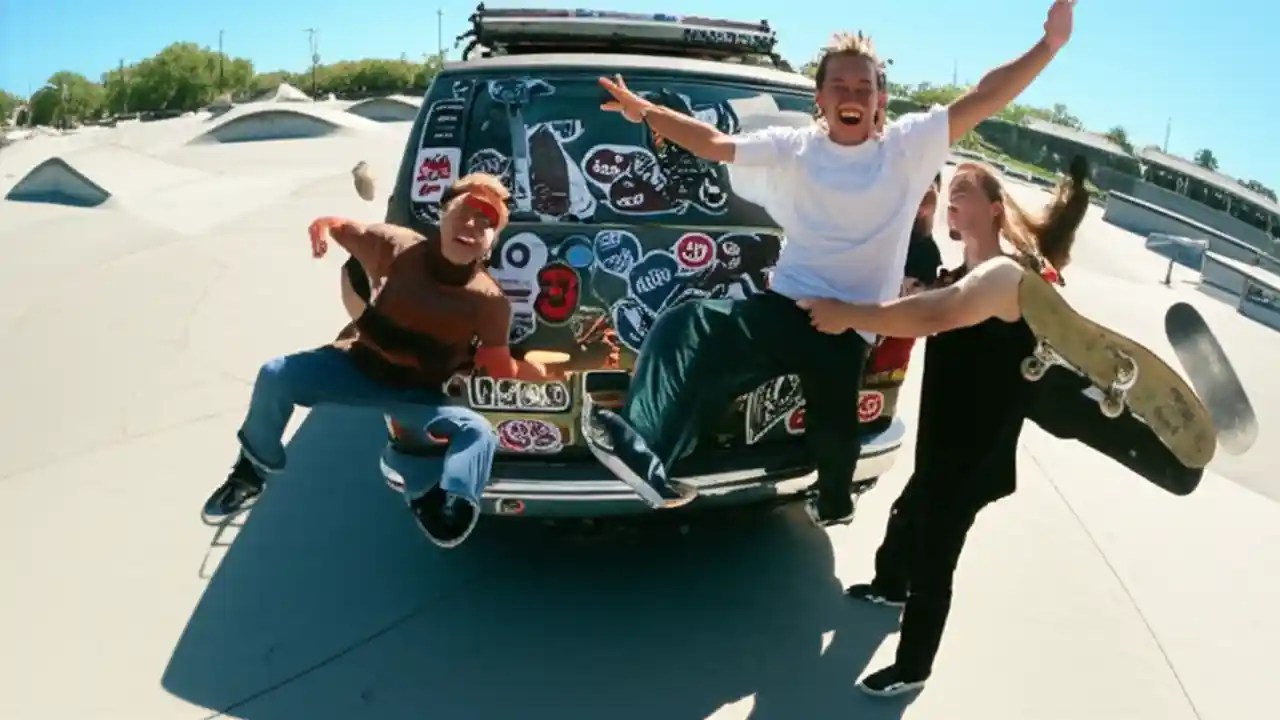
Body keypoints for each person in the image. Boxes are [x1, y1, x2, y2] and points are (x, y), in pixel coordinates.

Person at [584, 0, 1077, 525]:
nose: (852, 96)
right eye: (840, 86)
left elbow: (985, 97)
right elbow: (716, 144)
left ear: (879, 101)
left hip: (852, 321)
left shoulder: (905, 150)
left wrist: (1048, 47)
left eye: (864, 88)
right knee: (687, 325)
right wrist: (648, 113)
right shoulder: (795, 147)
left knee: (834, 426)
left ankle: (834, 500)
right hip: (786, 305)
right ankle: (648, 449)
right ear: (820, 98)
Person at [797, 157, 1203, 697]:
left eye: (962, 189)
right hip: (945, 445)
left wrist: (850, 313)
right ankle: (890, 585)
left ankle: (913, 666)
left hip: (973, 453)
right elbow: (933, 302)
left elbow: (936, 317)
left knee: (936, 554)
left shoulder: (1004, 277)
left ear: (993, 211)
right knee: (907, 514)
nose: (950, 196)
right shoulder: (961, 274)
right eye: (950, 189)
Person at [200, 173, 550, 542]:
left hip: (418, 394)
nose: (471, 225)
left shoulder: (490, 302)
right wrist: (322, 227)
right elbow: (343, 227)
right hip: (357, 366)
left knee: (476, 433)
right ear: (443, 213)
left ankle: (454, 502)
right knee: (276, 374)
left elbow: (497, 366)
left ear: (491, 242)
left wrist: (534, 371)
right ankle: (251, 470)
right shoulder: (395, 245)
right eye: (465, 212)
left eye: (486, 222)